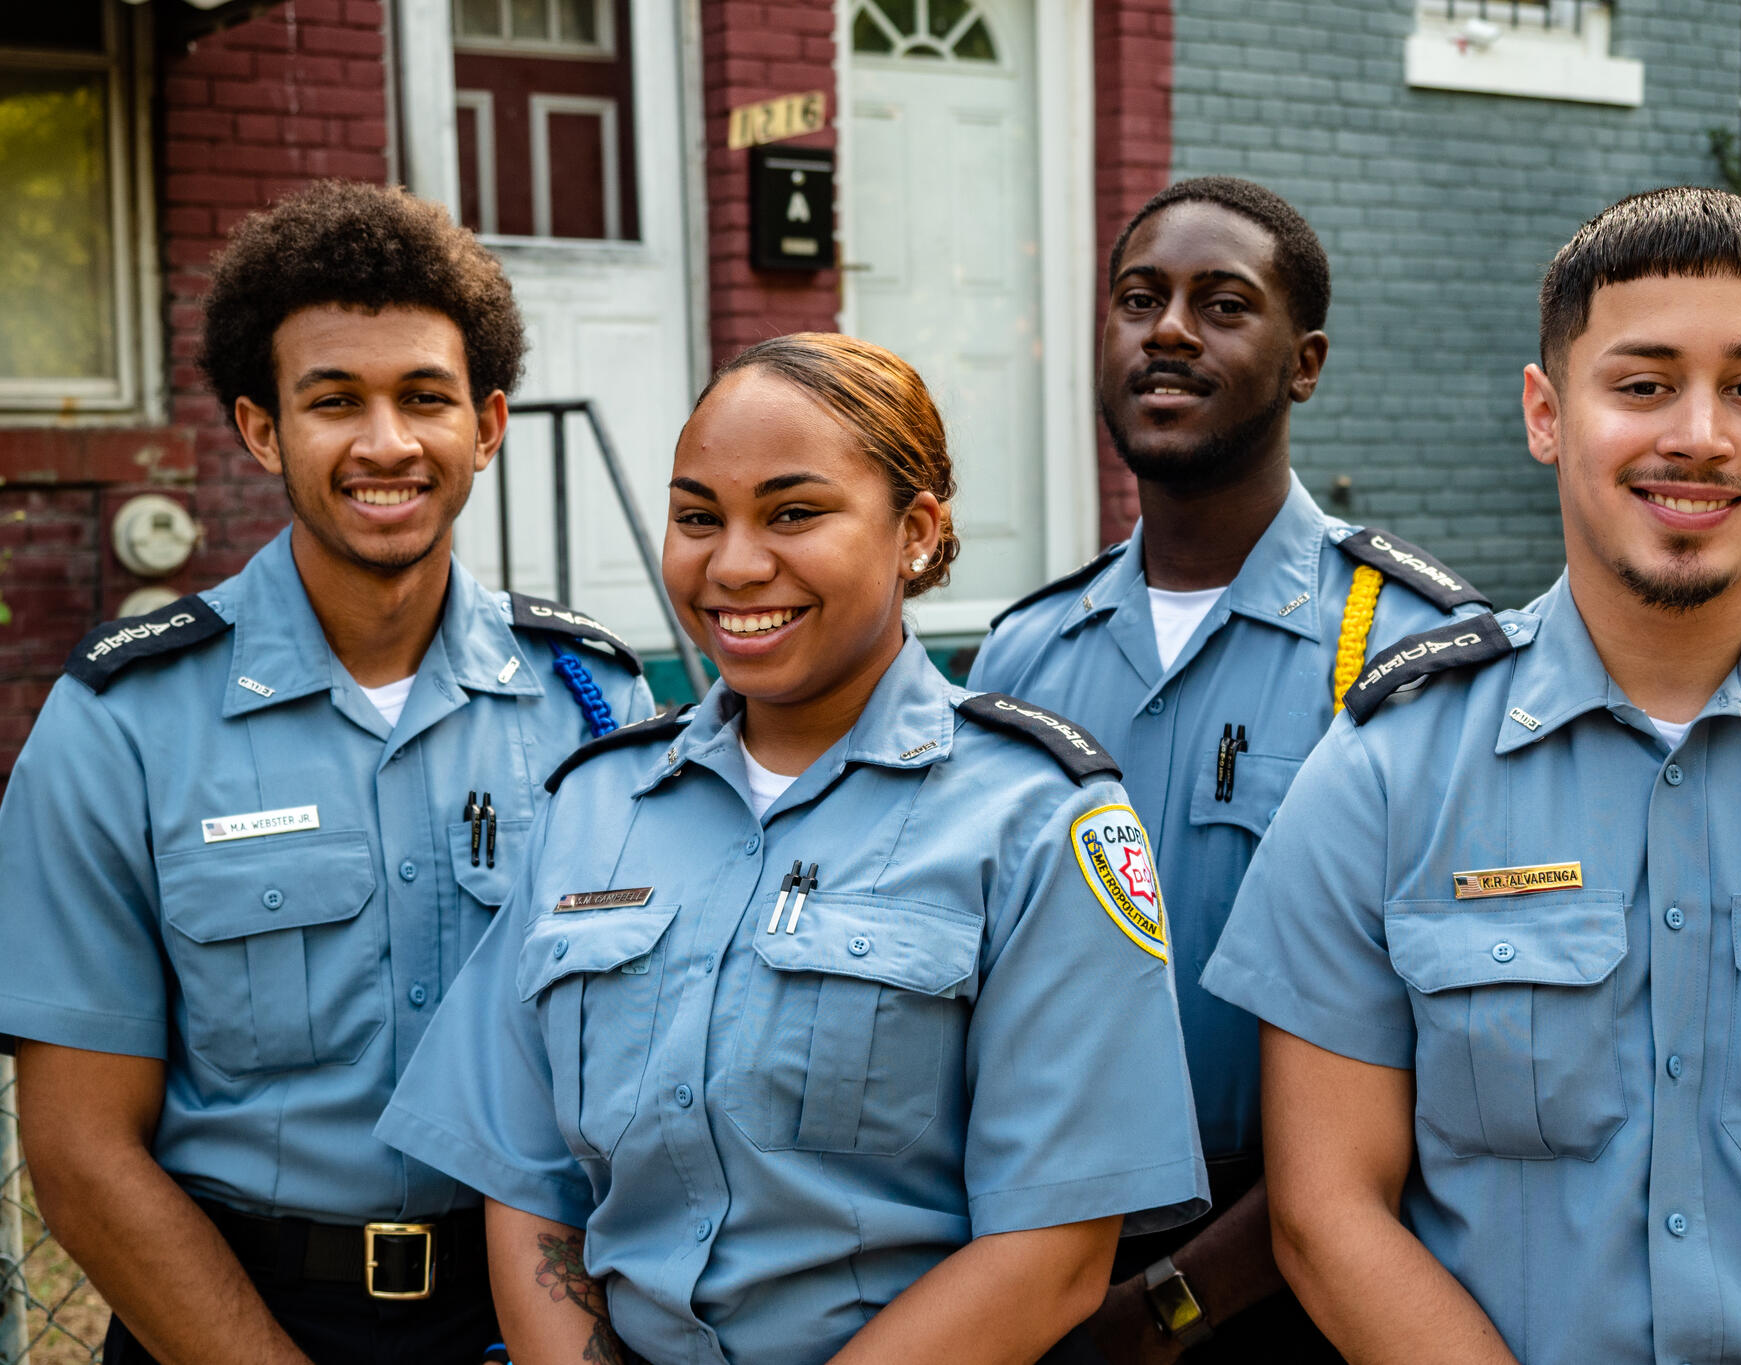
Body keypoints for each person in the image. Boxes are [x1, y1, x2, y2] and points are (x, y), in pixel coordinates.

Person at [1203, 186, 1741, 1364]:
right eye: (1642, 384)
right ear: (1545, 413)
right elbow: (1325, 1210)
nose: (1697, 434)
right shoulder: (1386, 770)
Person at [376, 332, 1209, 1365]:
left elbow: (1052, 1248)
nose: (732, 564)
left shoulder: (1037, 819)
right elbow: (525, 1182)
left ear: (915, 531)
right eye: (695, 518)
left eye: (793, 513)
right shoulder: (594, 804)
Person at [0, 181, 652, 1365]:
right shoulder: (123, 722)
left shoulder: (591, 703)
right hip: (228, 1320)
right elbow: (82, 1157)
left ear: (489, 426)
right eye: (333, 400)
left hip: (532, 1318)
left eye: (425, 398)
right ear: (262, 430)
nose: (386, 443)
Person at [968, 176, 1486, 1361]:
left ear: (1302, 362)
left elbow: (1453, 1047)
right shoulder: (1019, 651)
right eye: (1138, 298)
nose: (1165, 330)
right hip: (1033, 1255)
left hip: (1303, 1276)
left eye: (1221, 304)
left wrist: (1172, 1306)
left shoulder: (1414, 650)